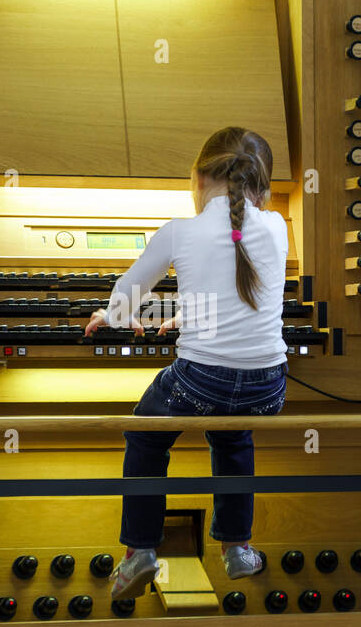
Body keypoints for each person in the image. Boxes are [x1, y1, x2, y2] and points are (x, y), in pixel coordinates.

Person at [82, 126, 290, 601]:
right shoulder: (277, 227)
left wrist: (114, 315)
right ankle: (237, 546)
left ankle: (139, 551)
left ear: (196, 178)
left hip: (201, 382)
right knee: (234, 432)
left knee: (145, 434)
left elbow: (124, 300)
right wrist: (188, 313)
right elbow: (242, 298)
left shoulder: (180, 231)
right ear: (263, 189)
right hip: (268, 389)